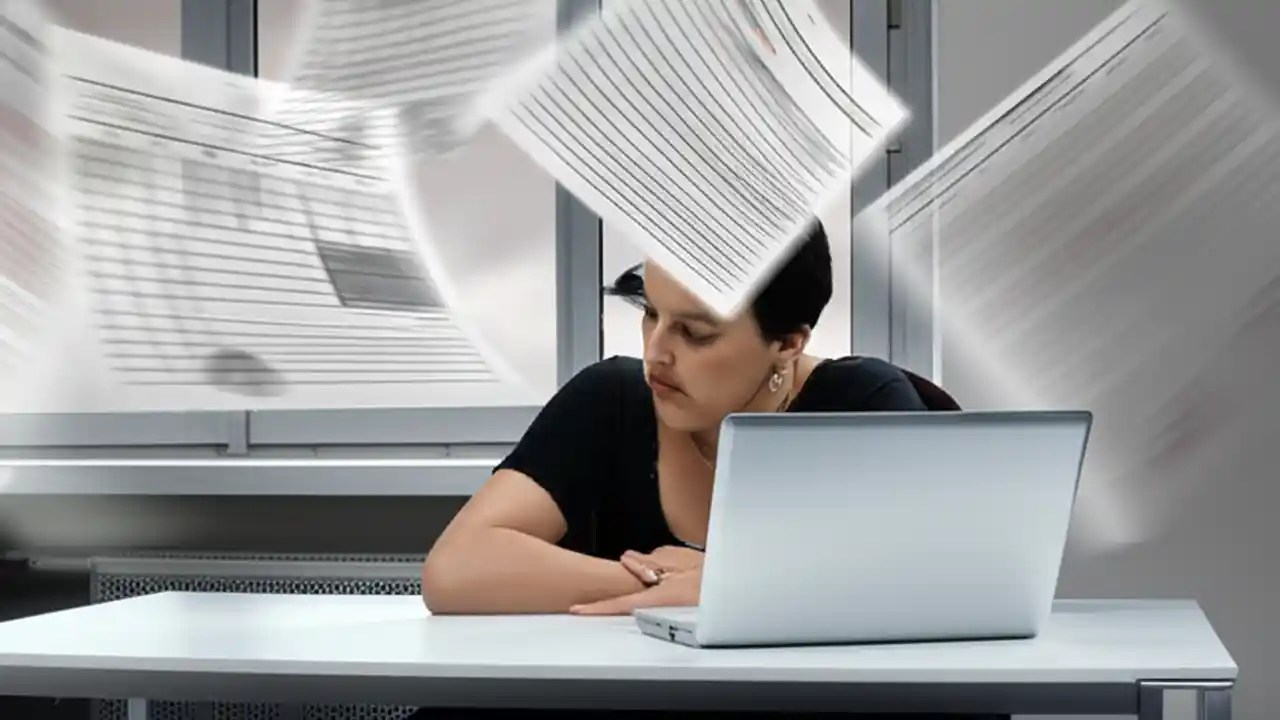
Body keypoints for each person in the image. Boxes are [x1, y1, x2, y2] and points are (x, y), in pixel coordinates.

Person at [411, 221, 1002, 720]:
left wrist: (728, 586)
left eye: (694, 332)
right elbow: (456, 570)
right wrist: (687, 589)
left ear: (789, 343)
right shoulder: (609, 398)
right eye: (650, 313)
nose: (656, 352)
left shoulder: (860, 403)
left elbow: (931, 594)